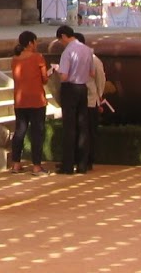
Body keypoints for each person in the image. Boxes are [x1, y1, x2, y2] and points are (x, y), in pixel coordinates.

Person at [54, 24, 93, 174]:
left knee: (69, 127)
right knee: (83, 126)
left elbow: (64, 76)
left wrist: (57, 70)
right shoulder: (87, 50)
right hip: (83, 87)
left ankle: (68, 165)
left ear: (64, 36)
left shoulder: (68, 52)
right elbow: (92, 73)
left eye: (60, 40)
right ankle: (82, 164)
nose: (61, 43)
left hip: (70, 88)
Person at [9, 30, 49, 174]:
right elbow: (44, 79)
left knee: (19, 132)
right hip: (36, 100)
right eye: (35, 41)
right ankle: (37, 166)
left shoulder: (14, 59)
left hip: (20, 100)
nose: (36, 44)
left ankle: (15, 164)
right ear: (30, 42)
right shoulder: (38, 58)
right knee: (37, 133)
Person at [78, 31, 107, 173]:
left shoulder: (94, 60)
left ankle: (87, 161)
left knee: (88, 132)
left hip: (90, 100)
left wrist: (99, 96)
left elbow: (100, 80)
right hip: (76, 101)